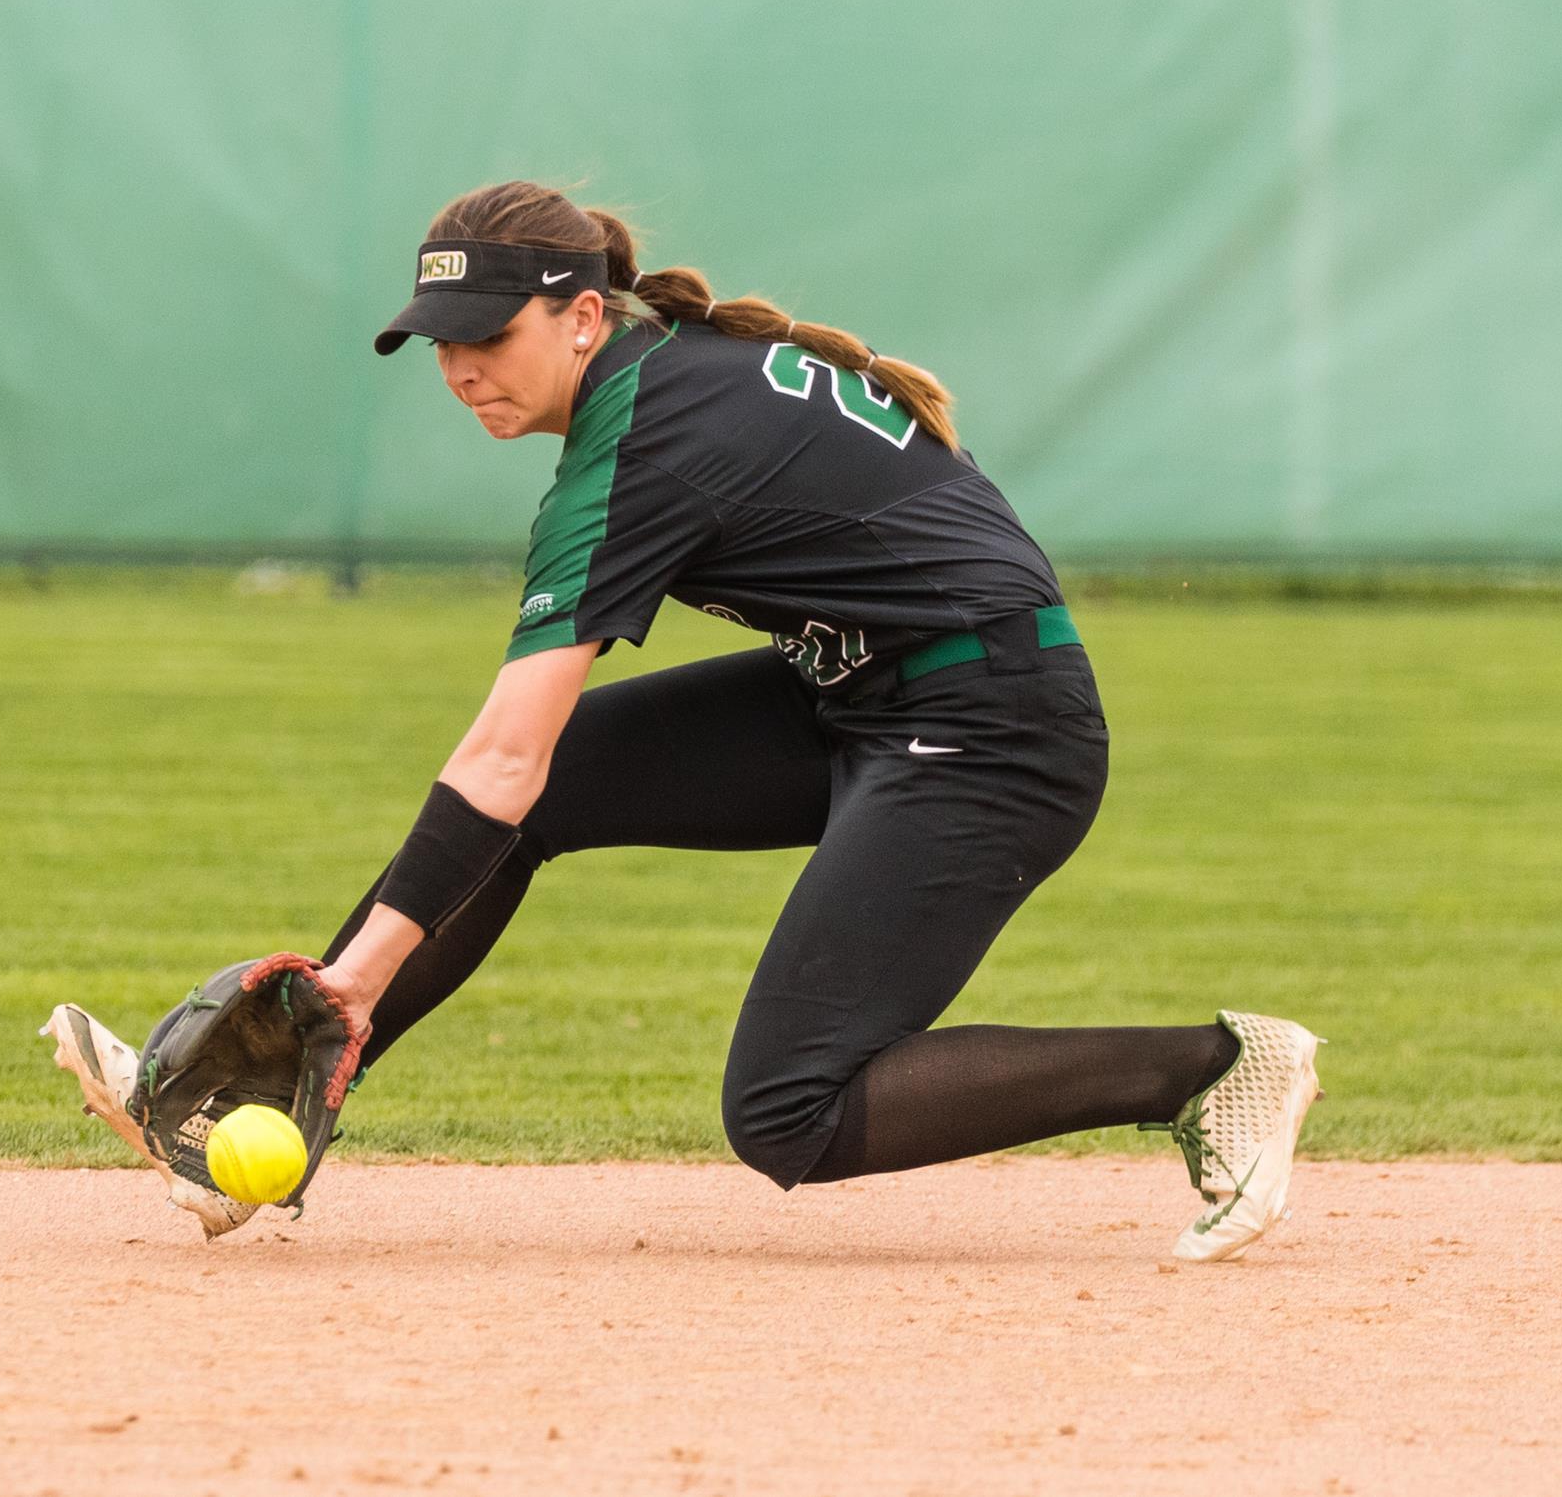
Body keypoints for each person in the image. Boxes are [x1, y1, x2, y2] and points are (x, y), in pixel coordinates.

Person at [333, 180, 1322, 1260]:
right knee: (560, 782)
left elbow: (502, 752)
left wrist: (356, 981)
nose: (461, 366)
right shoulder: (672, 373)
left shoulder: (648, 436)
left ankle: (1209, 1071)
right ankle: (275, 1084)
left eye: (488, 332)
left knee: (787, 1107)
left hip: (992, 732)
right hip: (868, 691)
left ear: (580, 315)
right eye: (438, 341)